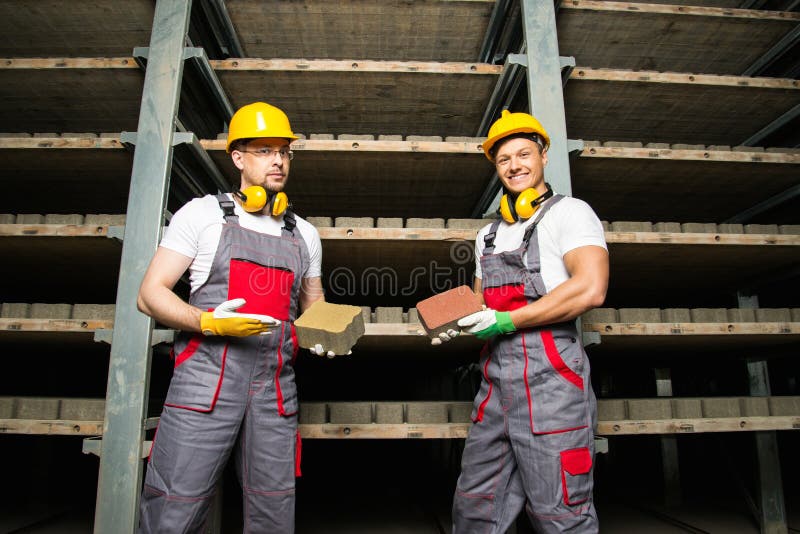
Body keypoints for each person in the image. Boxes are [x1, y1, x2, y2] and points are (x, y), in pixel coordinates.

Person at [136, 102, 336, 532]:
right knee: (175, 503)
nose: (278, 160)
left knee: (273, 511)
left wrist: (333, 333)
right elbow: (149, 295)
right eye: (264, 150)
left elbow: (313, 308)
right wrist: (207, 322)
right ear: (238, 158)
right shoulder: (203, 215)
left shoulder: (304, 234)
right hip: (204, 384)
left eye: (284, 151)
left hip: (274, 392)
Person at [439, 110, 609, 533]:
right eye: (504, 160)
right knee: (475, 508)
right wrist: (440, 319)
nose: (515, 166)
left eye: (524, 154)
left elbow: (591, 288)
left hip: (551, 385)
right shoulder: (488, 236)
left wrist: (507, 322)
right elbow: (479, 304)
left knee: (560, 513)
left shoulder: (569, 214)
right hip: (495, 386)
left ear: (544, 155)